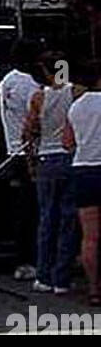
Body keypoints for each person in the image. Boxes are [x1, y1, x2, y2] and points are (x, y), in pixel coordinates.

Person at [23, 52, 78, 294]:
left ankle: (43, 274)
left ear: (45, 72)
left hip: (47, 158)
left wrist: (31, 163)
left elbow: (29, 133)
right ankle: (62, 278)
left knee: (47, 218)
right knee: (69, 220)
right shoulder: (76, 93)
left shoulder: (39, 97)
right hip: (71, 157)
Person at [0, 37, 42, 280]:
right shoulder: (31, 85)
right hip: (31, 152)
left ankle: (22, 259)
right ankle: (34, 258)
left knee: (21, 209)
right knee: (36, 210)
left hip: (12, 148)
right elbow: (35, 119)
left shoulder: (7, 82)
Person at [63, 61, 101, 305]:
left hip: (84, 170)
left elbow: (68, 142)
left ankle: (94, 289)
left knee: (90, 236)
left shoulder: (75, 108)